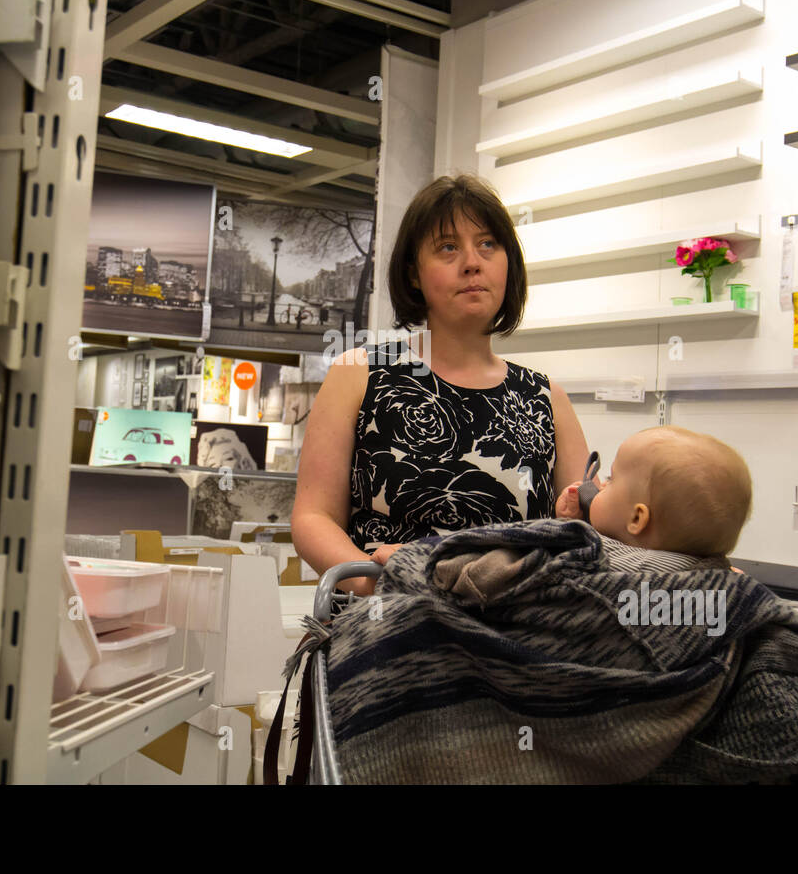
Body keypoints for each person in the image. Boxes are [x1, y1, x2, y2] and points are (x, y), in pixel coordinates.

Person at [292, 174, 589, 593]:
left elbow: (582, 534)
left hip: (515, 638)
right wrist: (378, 583)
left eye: (488, 244)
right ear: (414, 274)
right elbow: (312, 518)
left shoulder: (546, 397)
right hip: (386, 627)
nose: (472, 261)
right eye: (448, 247)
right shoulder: (360, 373)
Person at [558, 425, 753, 571]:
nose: (601, 485)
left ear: (637, 518)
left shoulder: (609, 565)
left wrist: (567, 526)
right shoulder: (715, 576)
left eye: (611, 479)